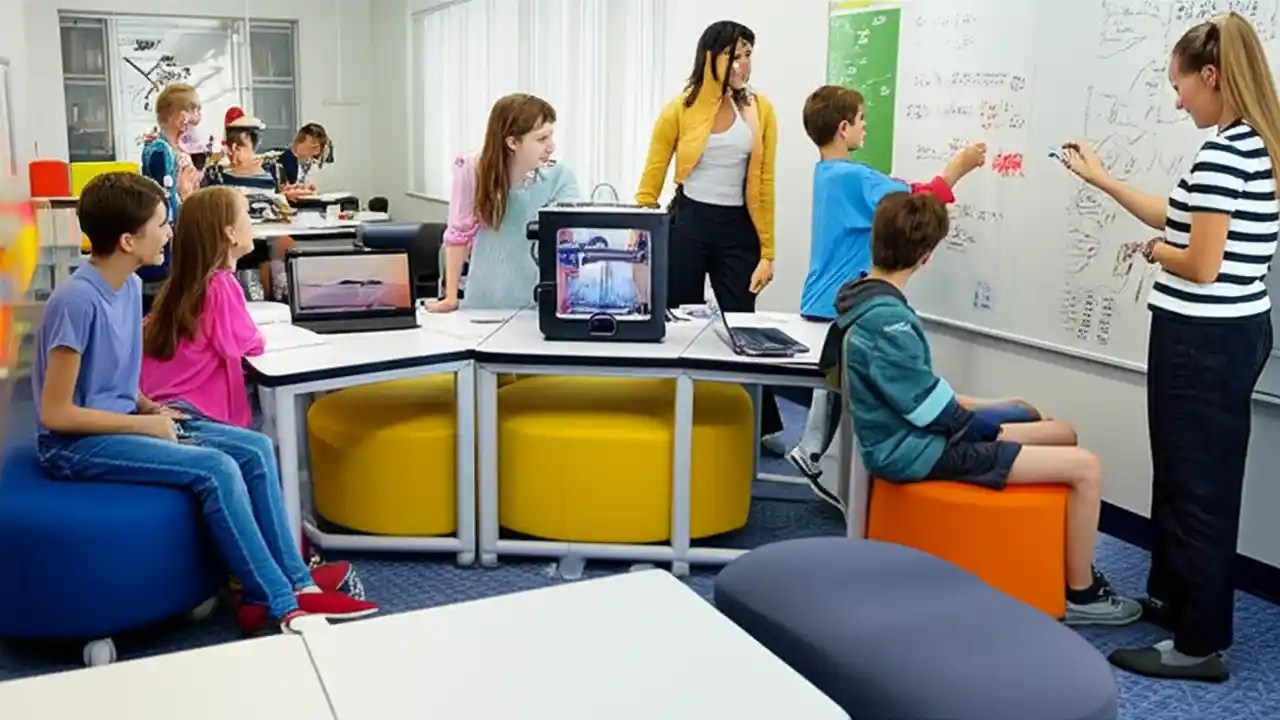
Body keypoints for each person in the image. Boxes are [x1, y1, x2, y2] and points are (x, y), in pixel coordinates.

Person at [32, 172, 378, 634]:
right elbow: (56, 414)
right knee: (216, 467)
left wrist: (149, 407)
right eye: (161, 223)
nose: (169, 231)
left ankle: (301, 585)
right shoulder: (76, 302)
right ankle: (279, 603)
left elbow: (114, 376)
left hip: (124, 421)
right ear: (128, 240)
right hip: (74, 445)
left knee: (254, 449)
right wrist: (141, 426)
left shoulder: (131, 288)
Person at [1058, 12, 1278, 682]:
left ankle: (1199, 644)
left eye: (1179, 84)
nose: (1176, 98)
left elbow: (1199, 261)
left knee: (1197, 491)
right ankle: (1179, 599)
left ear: (1210, 76)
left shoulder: (1223, 152)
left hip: (1201, 340)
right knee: (1185, 481)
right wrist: (1103, 182)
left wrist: (1154, 253)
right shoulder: (1252, 145)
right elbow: (1179, 212)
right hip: (1227, 335)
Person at [834, 191, 1143, 627]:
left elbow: (918, 392)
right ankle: (1082, 595)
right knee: (1086, 467)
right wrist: (993, 429)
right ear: (926, 256)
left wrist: (1006, 410)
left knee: (1058, 429)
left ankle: (1065, 561)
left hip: (917, 431)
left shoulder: (867, 301)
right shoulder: (892, 323)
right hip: (916, 449)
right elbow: (935, 414)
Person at [786, 84, 988, 505]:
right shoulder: (853, 177)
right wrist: (958, 168)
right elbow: (913, 204)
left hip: (823, 298)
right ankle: (814, 457)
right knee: (842, 393)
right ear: (844, 128)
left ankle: (818, 457)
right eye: (861, 121)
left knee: (836, 388)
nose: (865, 129)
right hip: (839, 304)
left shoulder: (827, 174)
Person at [635, 20, 785, 448]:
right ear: (710, 58)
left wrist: (768, 252)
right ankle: (672, 404)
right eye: (735, 55)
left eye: (748, 54)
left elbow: (766, 182)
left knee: (743, 324)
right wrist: (640, 234)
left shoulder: (761, 110)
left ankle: (761, 421)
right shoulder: (680, 109)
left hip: (739, 228)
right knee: (678, 320)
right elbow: (652, 176)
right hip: (689, 223)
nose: (744, 64)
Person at [428, 93, 581, 312]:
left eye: (551, 136)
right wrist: (450, 297)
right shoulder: (471, 170)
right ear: (512, 142)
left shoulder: (560, 178)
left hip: (536, 307)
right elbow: (458, 234)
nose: (551, 146)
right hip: (484, 304)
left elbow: (571, 244)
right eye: (541, 139)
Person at [140, 186, 265, 429]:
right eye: (247, 214)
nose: (252, 222)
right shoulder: (221, 285)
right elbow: (250, 343)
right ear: (230, 233)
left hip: (161, 400)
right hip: (192, 410)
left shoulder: (182, 287)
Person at [139, 83, 203, 291]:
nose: (196, 117)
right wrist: (185, 193)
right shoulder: (160, 149)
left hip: (179, 229)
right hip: (167, 236)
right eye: (192, 109)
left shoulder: (177, 147)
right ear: (177, 113)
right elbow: (162, 199)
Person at [275, 122, 331, 191]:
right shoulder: (281, 160)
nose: (315, 152)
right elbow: (280, 189)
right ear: (298, 143)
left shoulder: (312, 163)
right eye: (313, 147)